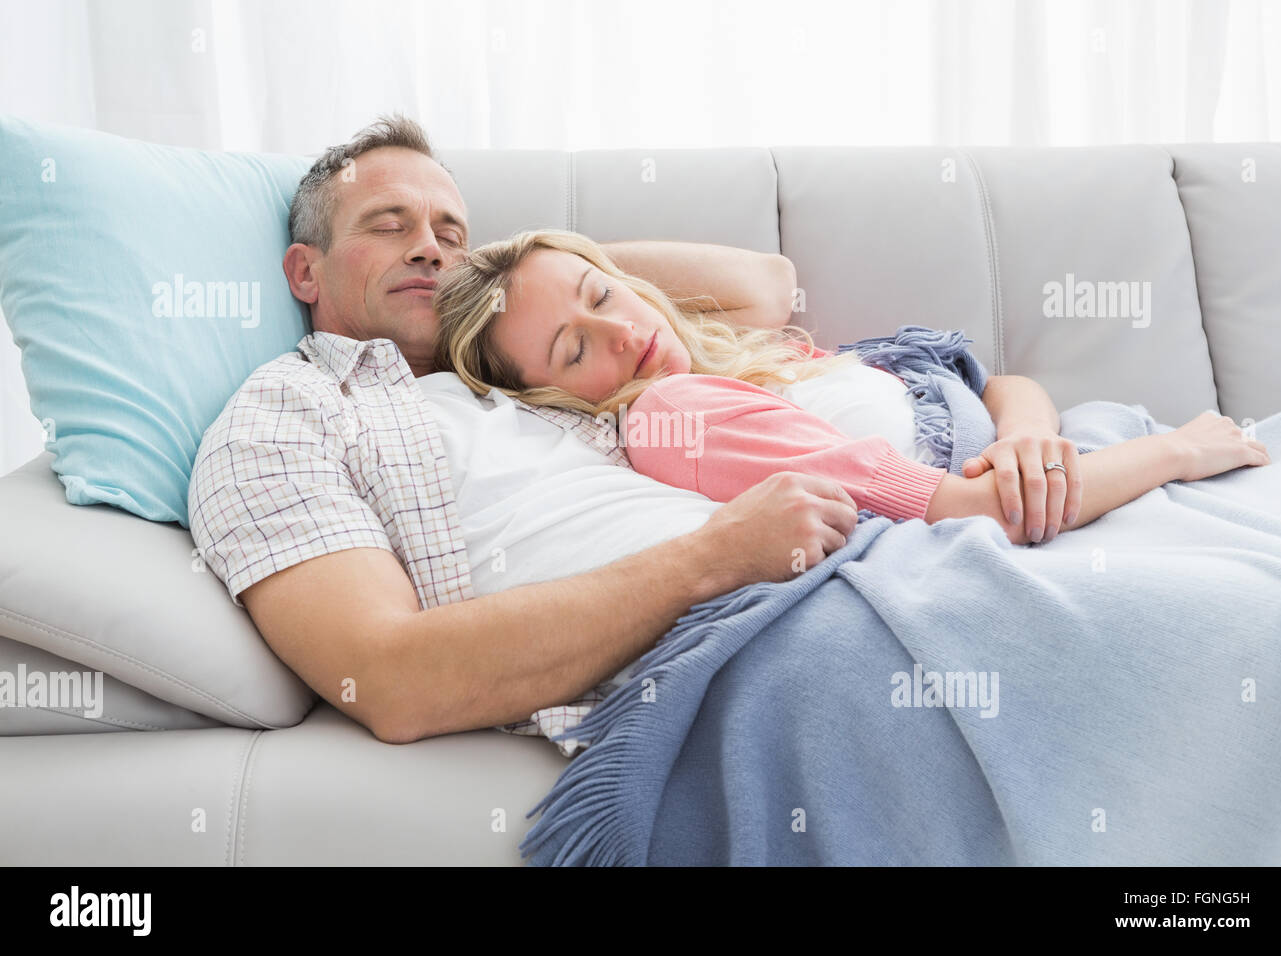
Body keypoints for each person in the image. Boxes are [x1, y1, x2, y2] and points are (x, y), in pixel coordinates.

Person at [187, 114, 864, 748]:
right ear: (306, 270)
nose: (428, 249)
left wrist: (535, 274)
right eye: (389, 227)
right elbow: (387, 677)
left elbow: (766, 289)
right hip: (756, 628)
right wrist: (717, 556)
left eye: (450, 234)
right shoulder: (285, 413)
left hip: (846, 554)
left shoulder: (518, 354)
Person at [430, 228, 1273, 543]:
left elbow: (1004, 386)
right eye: (576, 352)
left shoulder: (737, 360)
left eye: (603, 292)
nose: (624, 332)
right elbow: (970, 509)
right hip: (1076, 495)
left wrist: (1022, 440)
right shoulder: (672, 413)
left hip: (1072, 461)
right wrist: (1174, 451)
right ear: (553, 402)